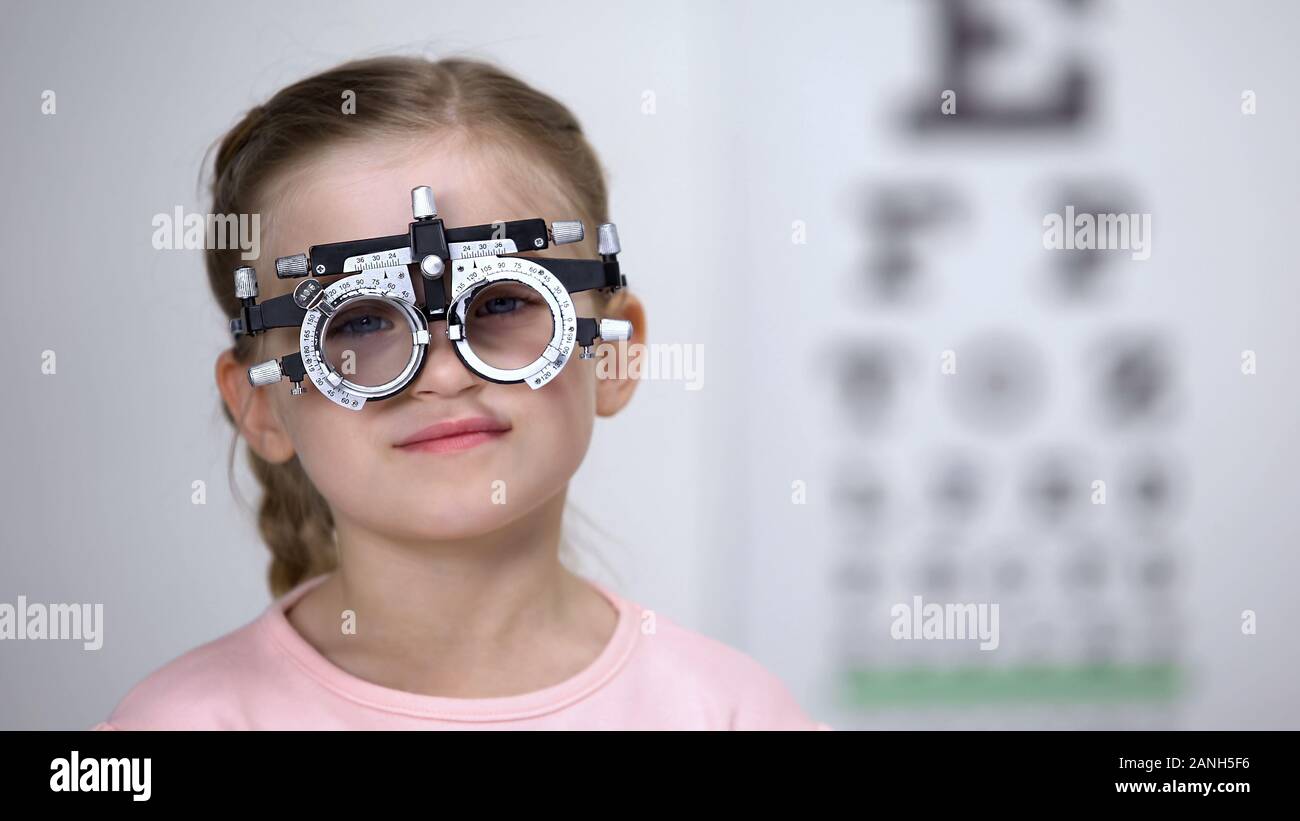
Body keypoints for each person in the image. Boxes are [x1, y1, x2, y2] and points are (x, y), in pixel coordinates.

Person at [96, 55, 829, 730]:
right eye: (355, 321)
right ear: (259, 404)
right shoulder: (181, 724)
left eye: (502, 303)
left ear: (613, 353)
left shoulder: (732, 713)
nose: (443, 374)